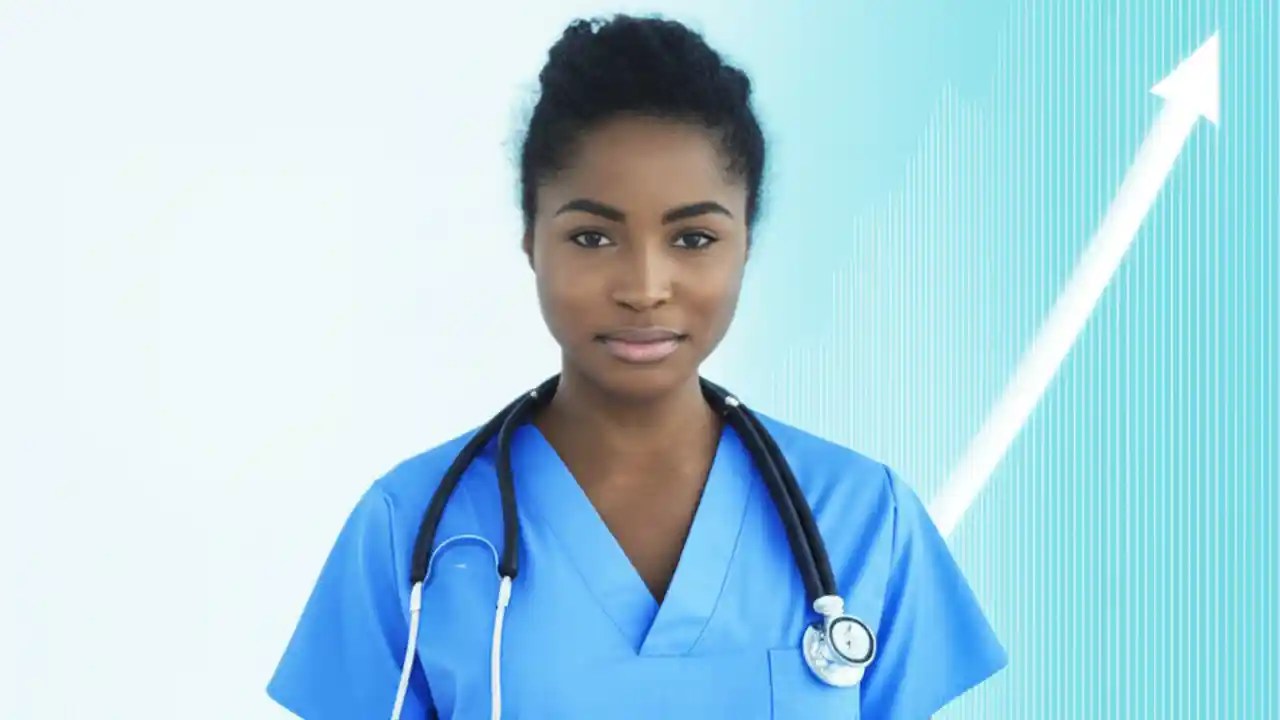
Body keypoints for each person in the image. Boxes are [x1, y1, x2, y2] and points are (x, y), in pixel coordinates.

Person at [267, 13, 1007, 720]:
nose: (644, 286)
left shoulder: (862, 516)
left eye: (692, 239)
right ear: (531, 238)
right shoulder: (413, 528)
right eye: (593, 237)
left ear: (746, 240)